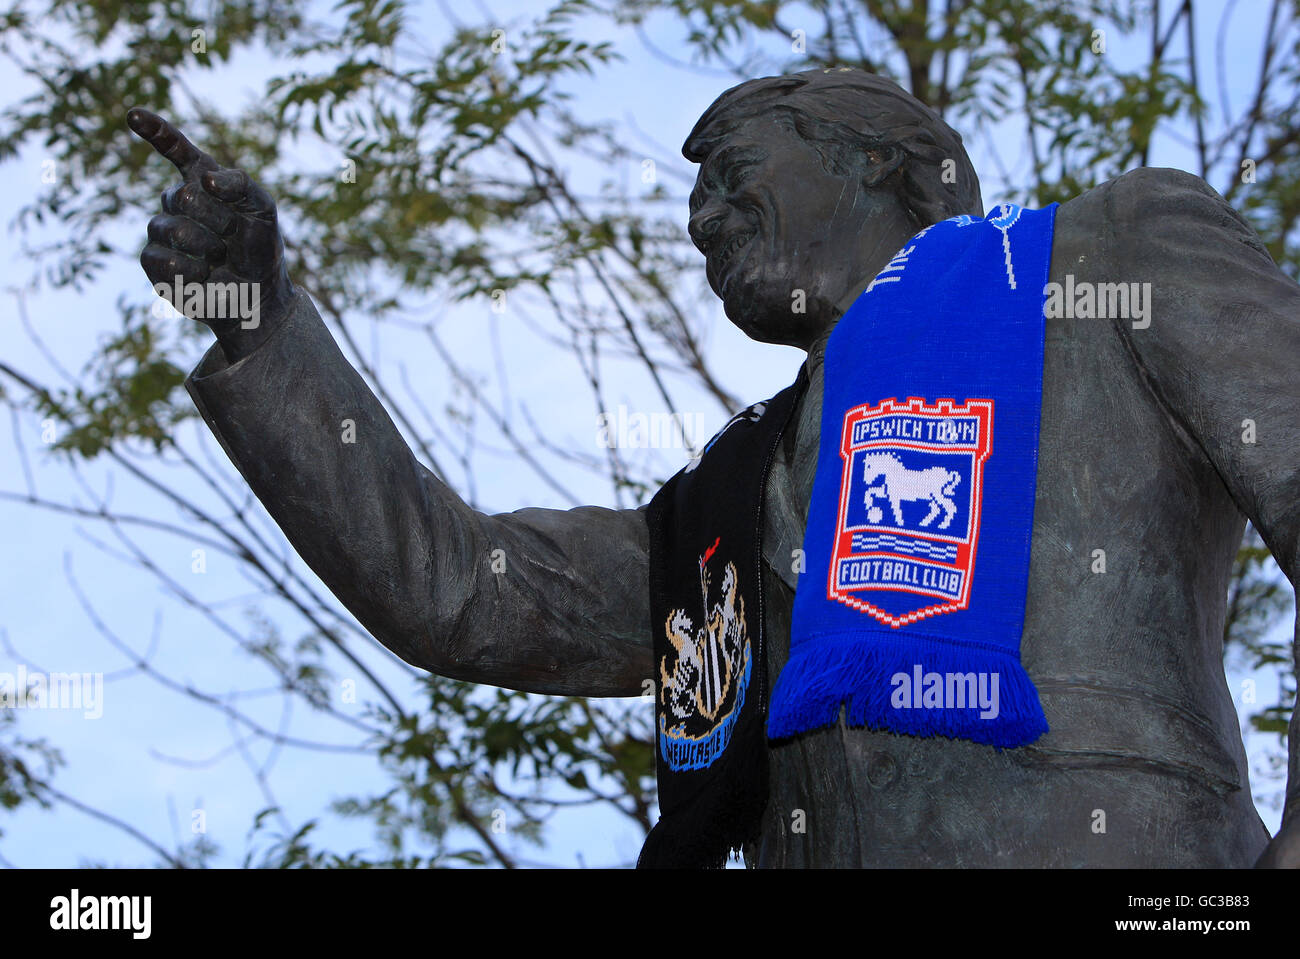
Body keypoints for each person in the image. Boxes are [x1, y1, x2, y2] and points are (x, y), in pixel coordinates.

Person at [127, 66, 1299, 867]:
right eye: (692, 197)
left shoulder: (1106, 260)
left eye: (734, 165)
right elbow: (460, 590)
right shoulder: (721, 505)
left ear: (886, 160)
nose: (700, 218)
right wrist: (258, 316)